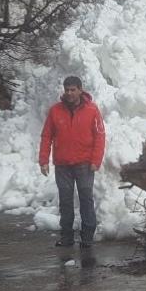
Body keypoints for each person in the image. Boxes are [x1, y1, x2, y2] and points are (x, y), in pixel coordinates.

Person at [39, 76, 106, 248]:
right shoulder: (55, 110)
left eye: (73, 90)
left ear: (80, 90)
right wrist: (43, 160)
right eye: (67, 90)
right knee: (65, 201)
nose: (69, 93)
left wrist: (96, 160)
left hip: (85, 163)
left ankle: (87, 236)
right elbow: (46, 136)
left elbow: (99, 136)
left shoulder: (92, 110)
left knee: (86, 198)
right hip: (62, 164)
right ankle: (67, 236)